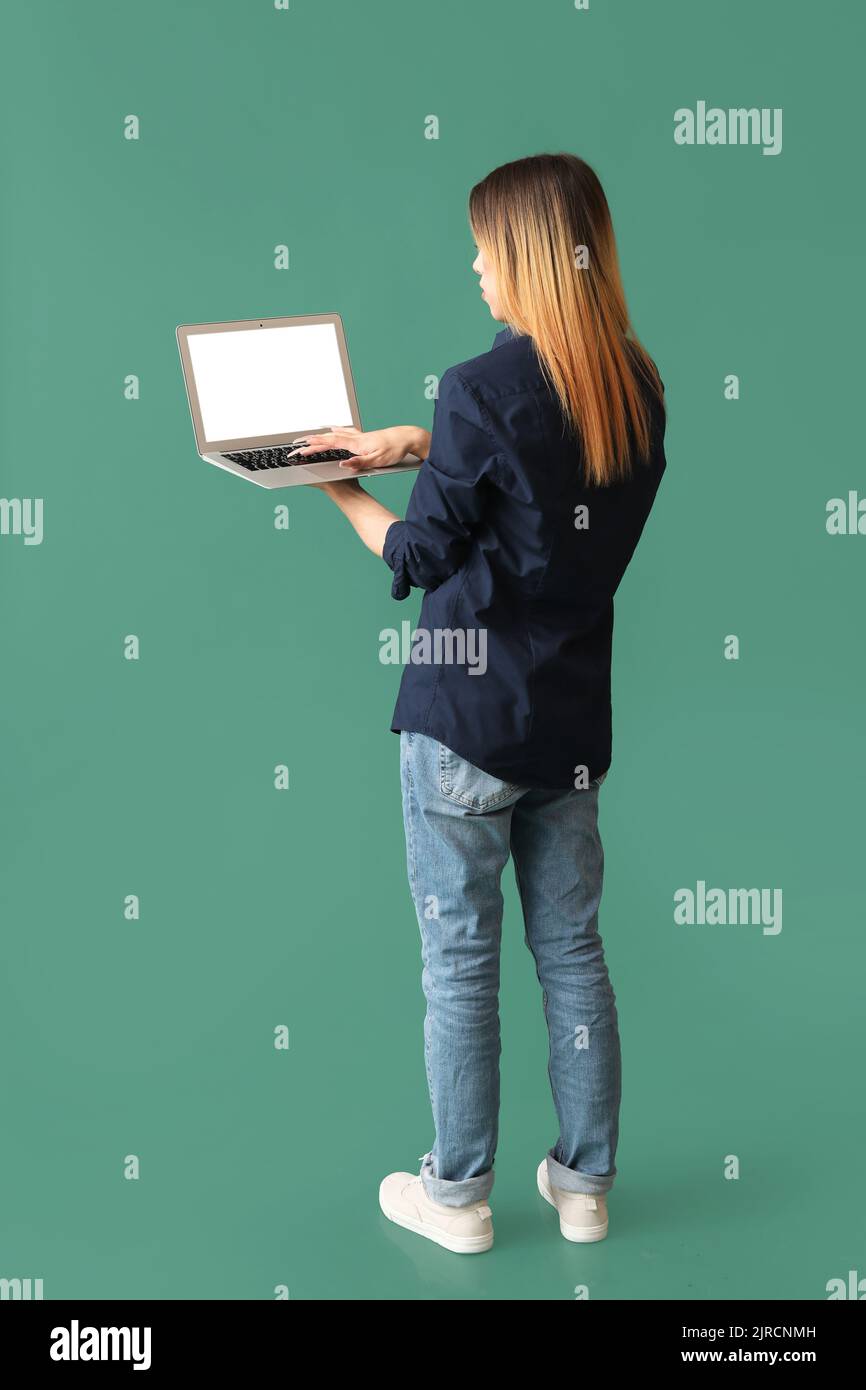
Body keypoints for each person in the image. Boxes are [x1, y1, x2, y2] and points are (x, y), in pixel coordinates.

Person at [290, 153, 667, 1253]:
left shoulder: (481, 388)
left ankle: (455, 1197)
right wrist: (412, 443)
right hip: (566, 727)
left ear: (528, 262)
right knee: (571, 948)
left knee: (458, 958)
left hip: (462, 722)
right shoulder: (632, 383)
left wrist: (338, 485)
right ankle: (584, 1184)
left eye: (485, 249)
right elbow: (530, 495)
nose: (472, 265)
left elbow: (415, 551)